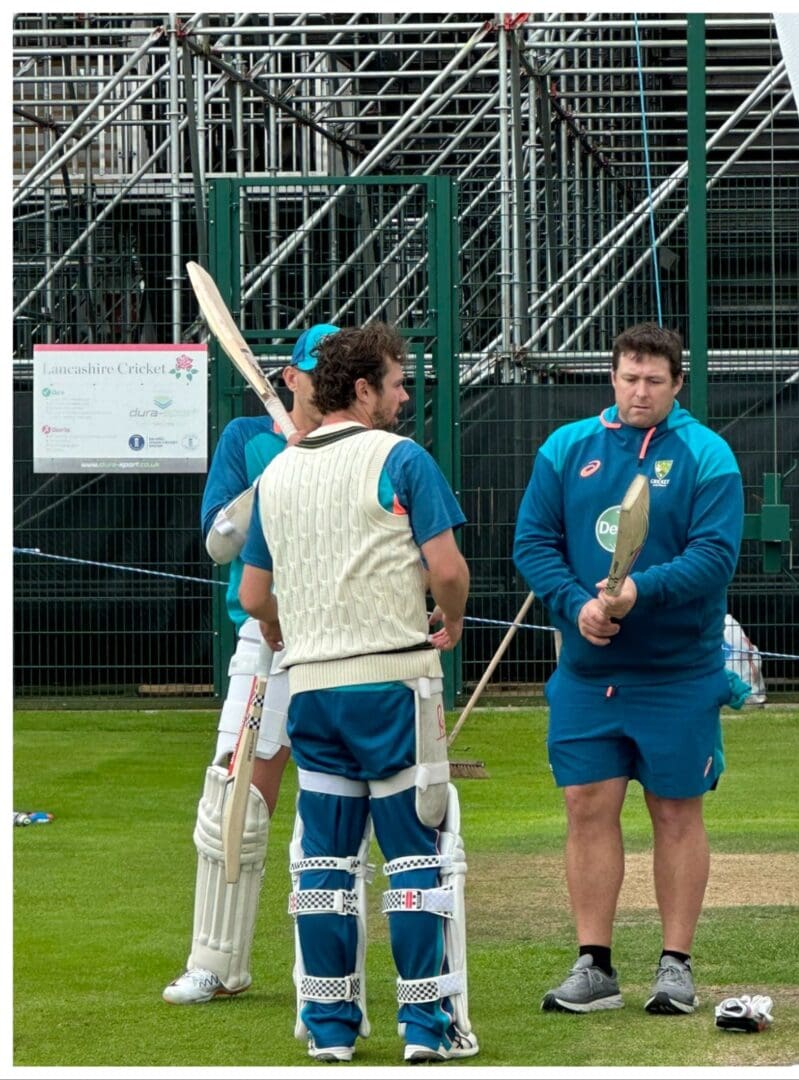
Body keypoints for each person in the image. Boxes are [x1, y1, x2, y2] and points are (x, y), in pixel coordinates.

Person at [239, 322, 477, 1063]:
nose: (406, 394)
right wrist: (455, 617)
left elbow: (253, 594)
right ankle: (425, 1029)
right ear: (364, 389)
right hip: (392, 680)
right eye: (398, 381)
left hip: (312, 688)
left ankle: (333, 1030)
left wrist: (287, 627)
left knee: (325, 868)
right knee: (412, 859)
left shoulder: (276, 473)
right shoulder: (400, 458)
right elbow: (448, 568)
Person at [512, 322, 744, 1017]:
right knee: (586, 806)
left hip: (678, 671)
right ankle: (595, 965)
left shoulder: (709, 456)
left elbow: (714, 556)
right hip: (588, 674)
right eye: (628, 378)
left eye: (653, 380)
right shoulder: (567, 449)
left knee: (675, 811)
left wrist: (643, 590)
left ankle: (676, 966)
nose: (639, 391)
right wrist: (576, 604)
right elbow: (533, 543)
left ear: (677, 384)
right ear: (611, 378)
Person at [164, 323, 334, 1005]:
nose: (327, 383)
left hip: (344, 637)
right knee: (235, 794)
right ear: (289, 377)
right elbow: (219, 542)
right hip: (266, 639)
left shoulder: (370, 443)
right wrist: (278, 471)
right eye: (316, 371)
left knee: (344, 800)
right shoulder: (246, 440)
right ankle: (217, 961)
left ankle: (325, 973)